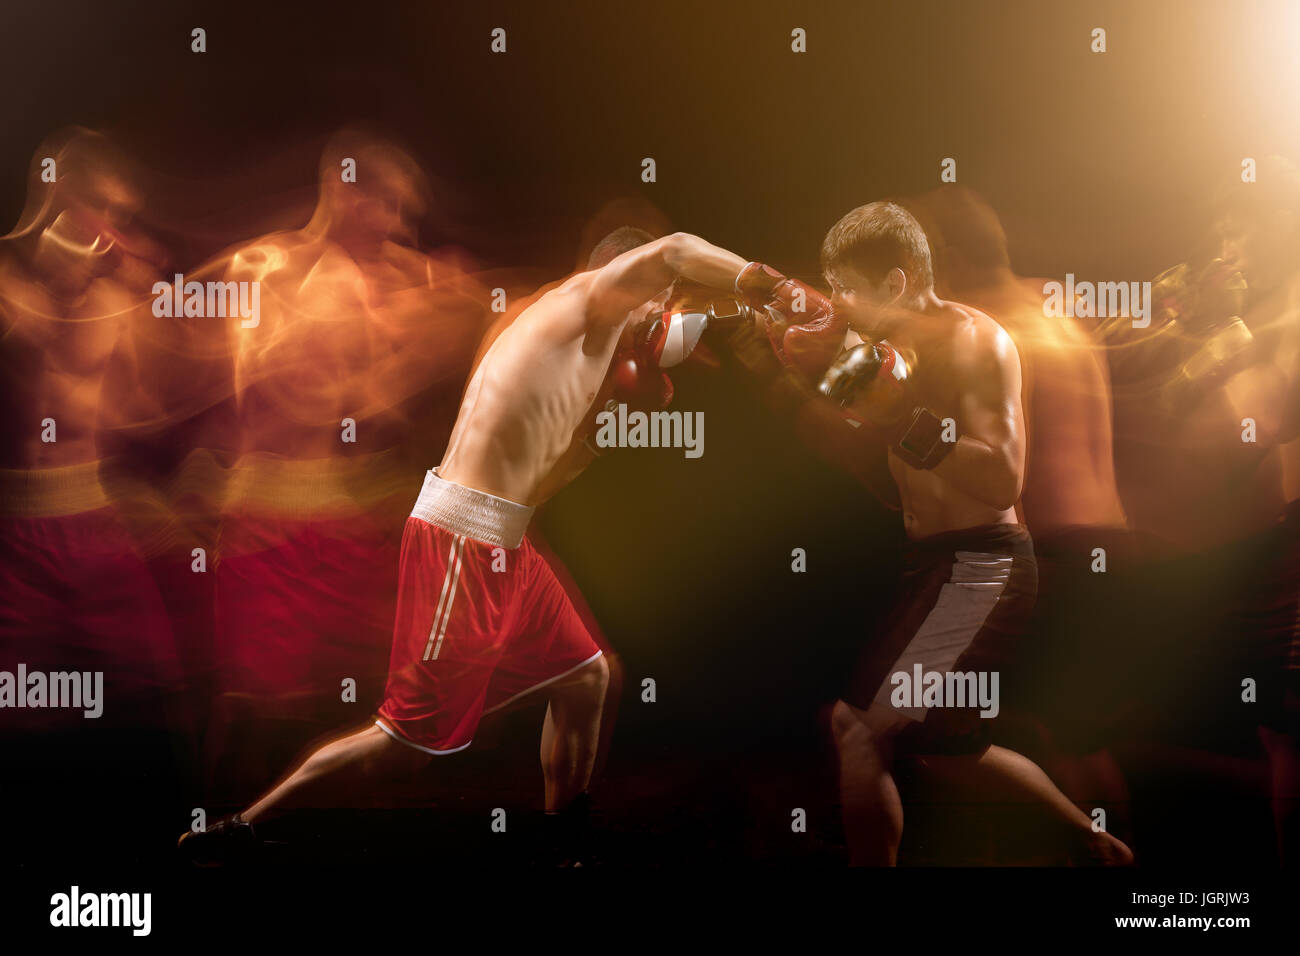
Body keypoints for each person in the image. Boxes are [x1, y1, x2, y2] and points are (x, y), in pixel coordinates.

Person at [178, 226, 750, 865]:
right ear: (625, 280)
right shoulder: (580, 305)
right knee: (403, 742)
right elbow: (673, 249)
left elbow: (543, 482)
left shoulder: (589, 345)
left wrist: (602, 429)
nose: (662, 313)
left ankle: (564, 846)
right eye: (659, 297)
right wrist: (768, 283)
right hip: (463, 537)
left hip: (506, 536)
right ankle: (241, 827)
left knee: (587, 677)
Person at [724, 201, 1133, 865]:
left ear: (895, 283)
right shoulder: (890, 352)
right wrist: (783, 381)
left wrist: (901, 417)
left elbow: (1002, 477)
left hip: (982, 566)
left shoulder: (976, 341)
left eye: (851, 291)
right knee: (949, 750)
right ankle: (1099, 849)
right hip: (936, 562)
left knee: (856, 729)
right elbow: (884, 473)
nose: (842, 307)